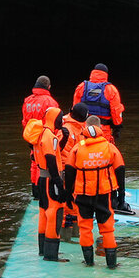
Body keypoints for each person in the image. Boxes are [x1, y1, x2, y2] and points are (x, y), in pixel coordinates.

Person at [64, 116, 125, 268]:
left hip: (83, 195)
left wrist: (68, 194)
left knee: (85, 228)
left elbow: (69, 172)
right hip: (104, 195)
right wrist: (120, 194)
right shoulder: (109, 147)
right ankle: (111, 264)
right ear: (100, 132)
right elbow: (120, 169)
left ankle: (89, 262)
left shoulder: (77, 149)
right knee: (107, 229)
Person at [24, 106, 67, 261]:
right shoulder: (49, 136)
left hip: (42, 178)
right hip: (50, 179)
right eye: (60, 118)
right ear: (54, 119)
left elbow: (38, 158)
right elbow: (51, 159)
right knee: (54, 213)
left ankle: (43, 250)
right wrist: (58, 183)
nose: (62, 120)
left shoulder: (41, 135)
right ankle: (51, 254)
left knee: (43, 212)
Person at [22, 75, 60, 193]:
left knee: (34, 163)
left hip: (31, 138)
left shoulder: (27, 100)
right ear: (48, 87)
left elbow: (24, 121)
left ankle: (35, 188)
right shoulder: (50, 102)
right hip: (44, 137)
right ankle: (43, 190)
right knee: (43, 165)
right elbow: (55, 122)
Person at [71, 63, 124, 144]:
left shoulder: (81, 87)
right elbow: (116, 111)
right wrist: (117, 128)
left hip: (85, 129)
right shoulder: (111, 89)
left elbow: (75, 109)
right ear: (106, 74)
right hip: (103, 131)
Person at [59, 103, 88, 242]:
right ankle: (66, 235)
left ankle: (74, 233)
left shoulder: (77, 128)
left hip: (75, 172)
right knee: (68, 205)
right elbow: (64, 155)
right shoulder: (68, 130)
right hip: (69, 172)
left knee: (75, 204)